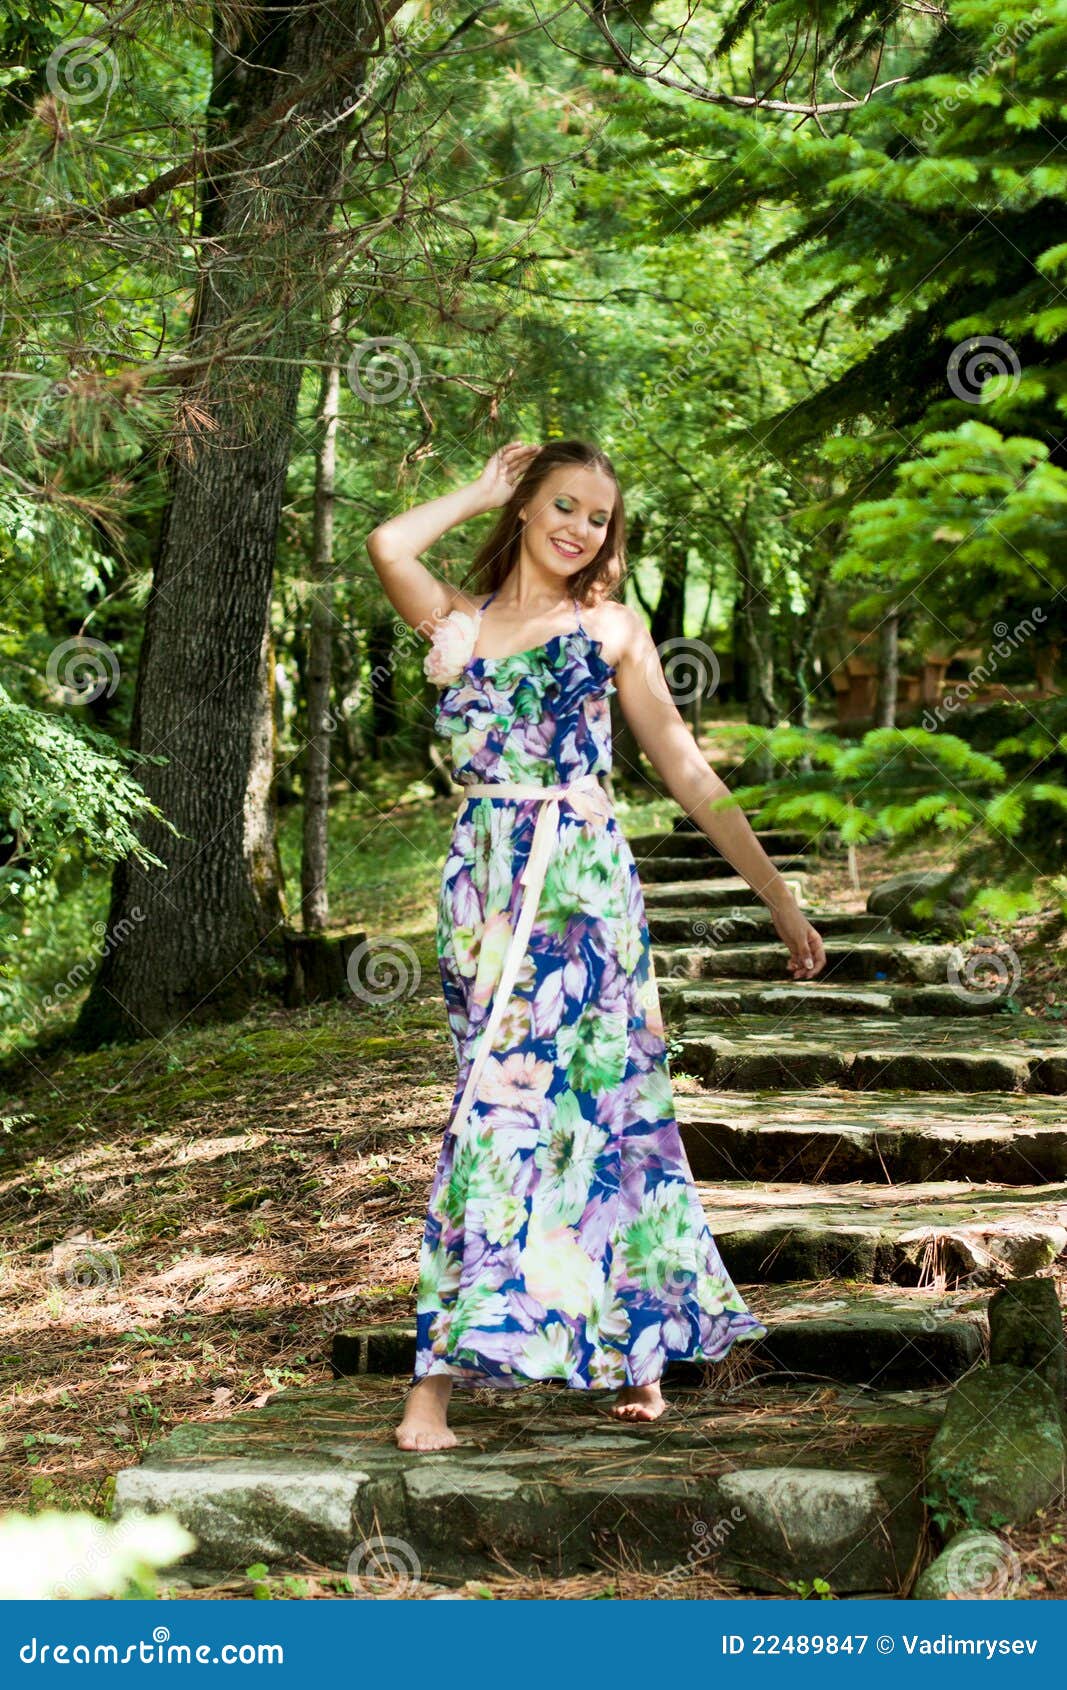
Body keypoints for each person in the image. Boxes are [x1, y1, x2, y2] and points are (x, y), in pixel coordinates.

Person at [366, 439, 826, 1452]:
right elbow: (387, 543)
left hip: (582, 889)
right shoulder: (460, 621)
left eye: (598, 517)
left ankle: (602, 1360)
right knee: (497, 1108)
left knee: (602, 1109)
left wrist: (779, 899)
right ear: (527, 507)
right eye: (562, 505)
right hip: (485, 891)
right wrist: (478, 489)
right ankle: (478, 1374)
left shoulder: (610, 627)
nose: (579, 527)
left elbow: (685, 767)